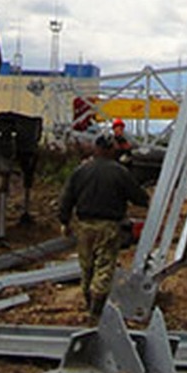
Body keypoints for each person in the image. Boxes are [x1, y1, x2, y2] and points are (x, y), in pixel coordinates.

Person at [58, 135, 149, 317]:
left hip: (84, 226)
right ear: (109, 150)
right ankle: (96, 310)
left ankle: (88, 301)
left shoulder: (81, 171)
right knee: (105, 268)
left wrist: (64, 221)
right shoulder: (120, 172)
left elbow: (67, 198)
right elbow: (138, 197)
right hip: (109, 227)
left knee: (87, 267)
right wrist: (150, 202)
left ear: (96, 149)